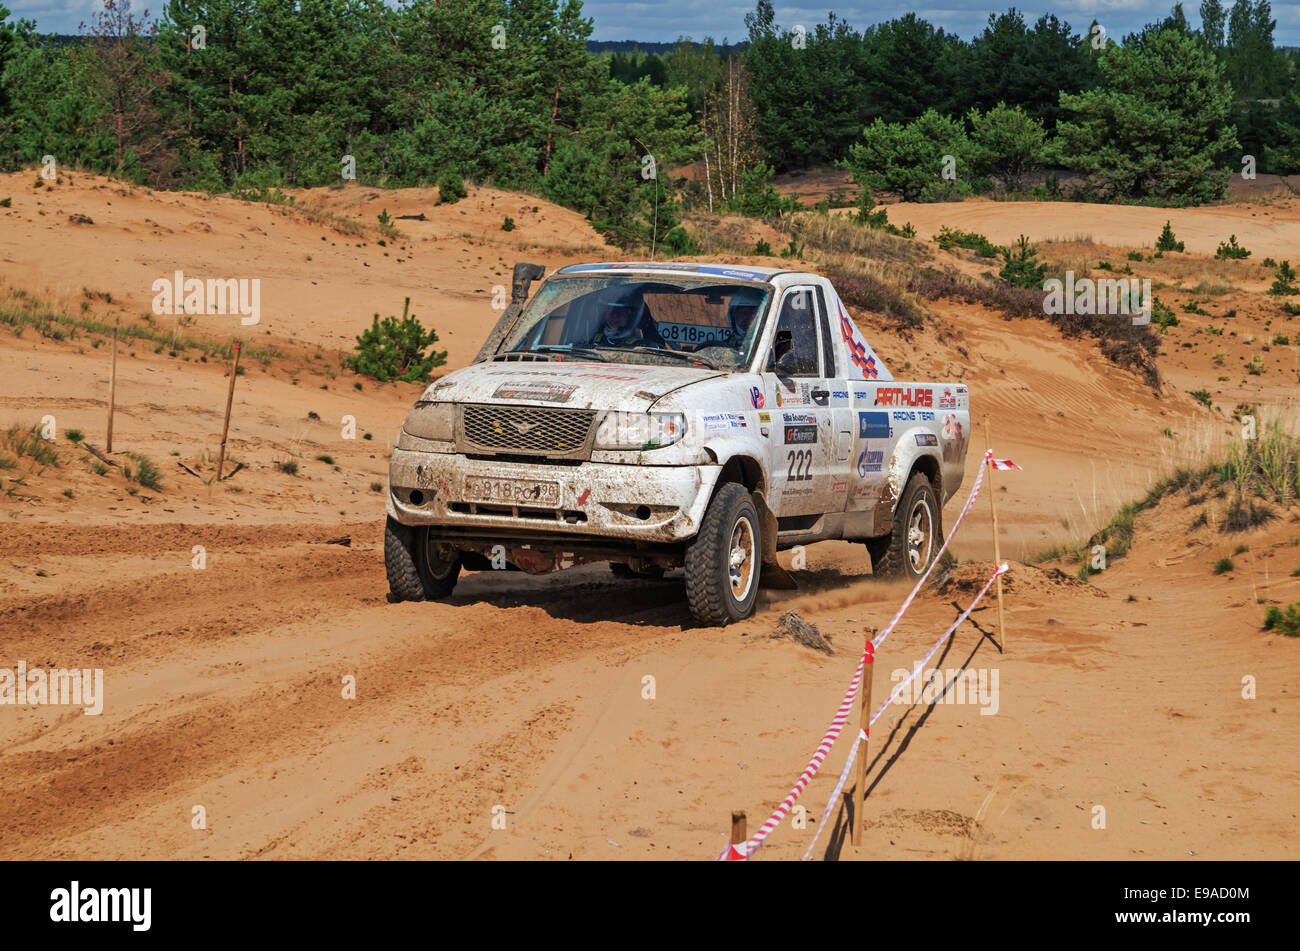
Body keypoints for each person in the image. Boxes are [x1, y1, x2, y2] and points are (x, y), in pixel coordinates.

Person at [590, 296, 660, 348]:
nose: (614, 315)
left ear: (632, 315)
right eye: (610, 309)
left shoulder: (646, 349)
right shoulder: (592, 342)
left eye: (620, 311)